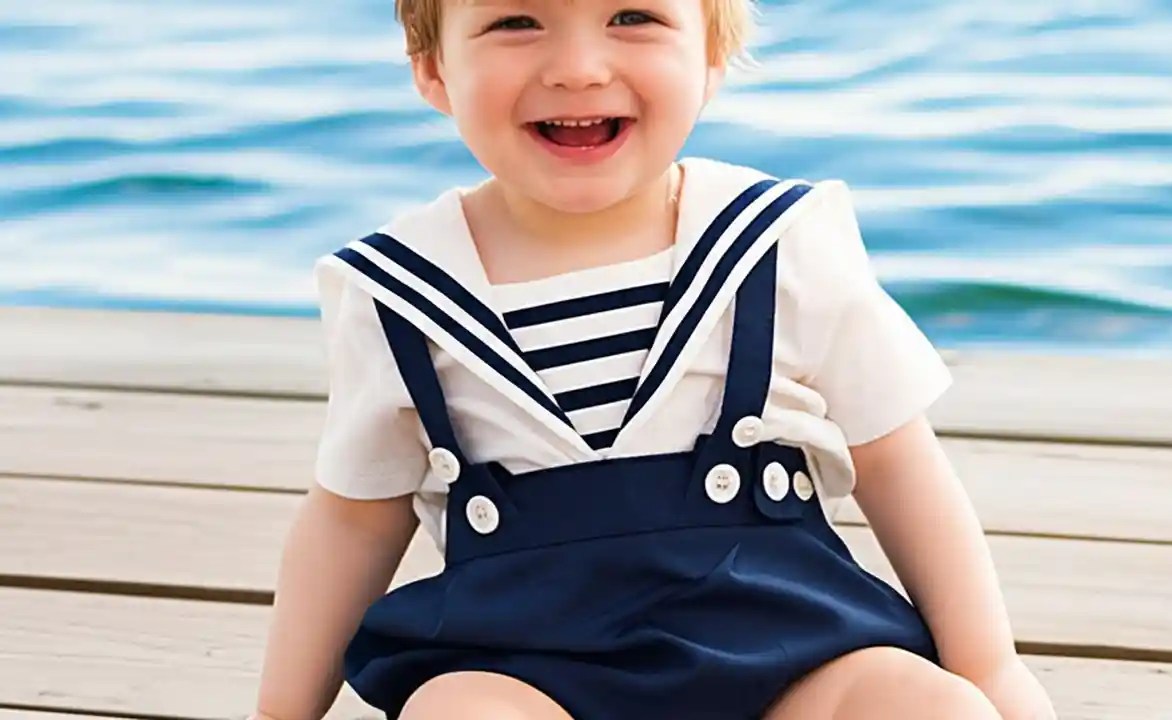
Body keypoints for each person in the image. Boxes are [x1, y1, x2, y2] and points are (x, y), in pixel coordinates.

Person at [252, 1, 1058, 718]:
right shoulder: (399, 290)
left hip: (791, 653)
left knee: (922, 705)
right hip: (524, 664)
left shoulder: (773, 244)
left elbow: (897, 462)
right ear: (433, 69)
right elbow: (353, 518)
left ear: (711, 52)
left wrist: (988, 663)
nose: (577, 68)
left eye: (632, 17)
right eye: (515, 22)